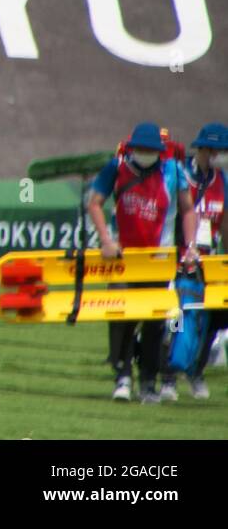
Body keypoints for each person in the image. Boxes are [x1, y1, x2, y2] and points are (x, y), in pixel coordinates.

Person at [86, 122, 198, 404]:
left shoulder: (173, 171)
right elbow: (95, 202)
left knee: (155, 323)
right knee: (121, 316)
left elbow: (187, 210)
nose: (145, 153)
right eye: (140, 149)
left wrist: (191, 246)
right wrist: (106, 239)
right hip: (122, 259)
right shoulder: (117, 167)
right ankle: (122, 376)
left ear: (159, 152)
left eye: (150, 150)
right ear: (131, 147)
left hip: (158, 260)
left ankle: (149, 380)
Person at [167, 122, 228, 401]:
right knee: (177, 319)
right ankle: (167, 376)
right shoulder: (182, 175)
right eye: (220, 150)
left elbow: (224, 225)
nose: (223, 155)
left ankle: (195, 371)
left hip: (209, 263)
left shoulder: (222, 181)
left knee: (212, 318)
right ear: (205, 148)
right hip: (178, 261)